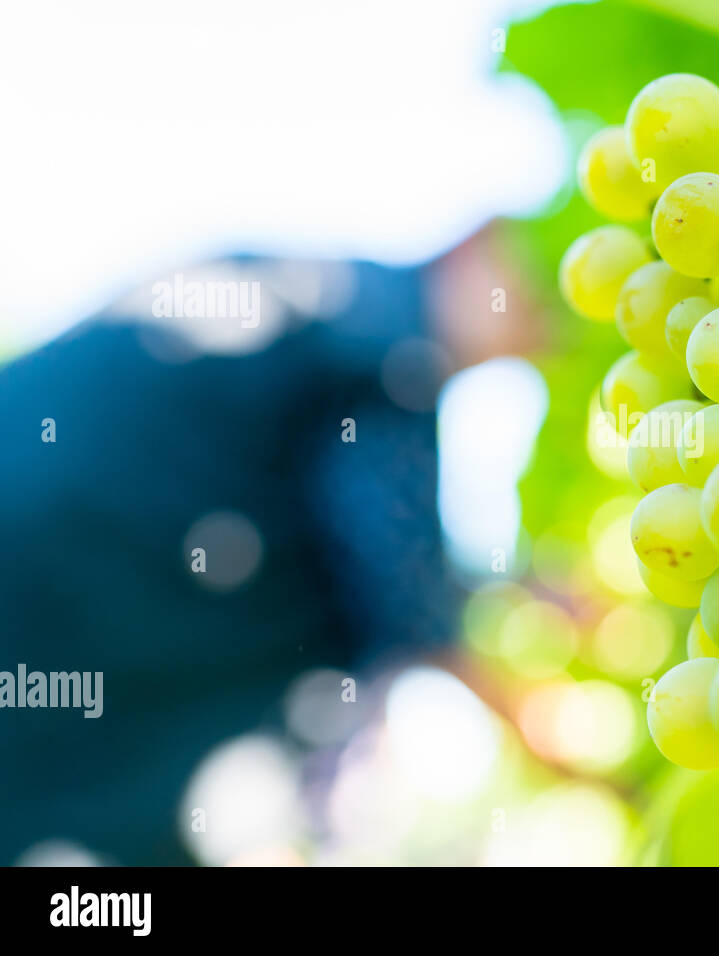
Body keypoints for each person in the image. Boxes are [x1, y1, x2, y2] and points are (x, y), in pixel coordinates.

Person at [0, 228, 540, 865]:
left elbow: (327, 538)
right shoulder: (384, 339)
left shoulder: (309, 294)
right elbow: (400, 587)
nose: (542, 333)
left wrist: (512, 587)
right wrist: (533, 722)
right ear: (474, 247)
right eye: (535, 297)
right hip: (77, 613)